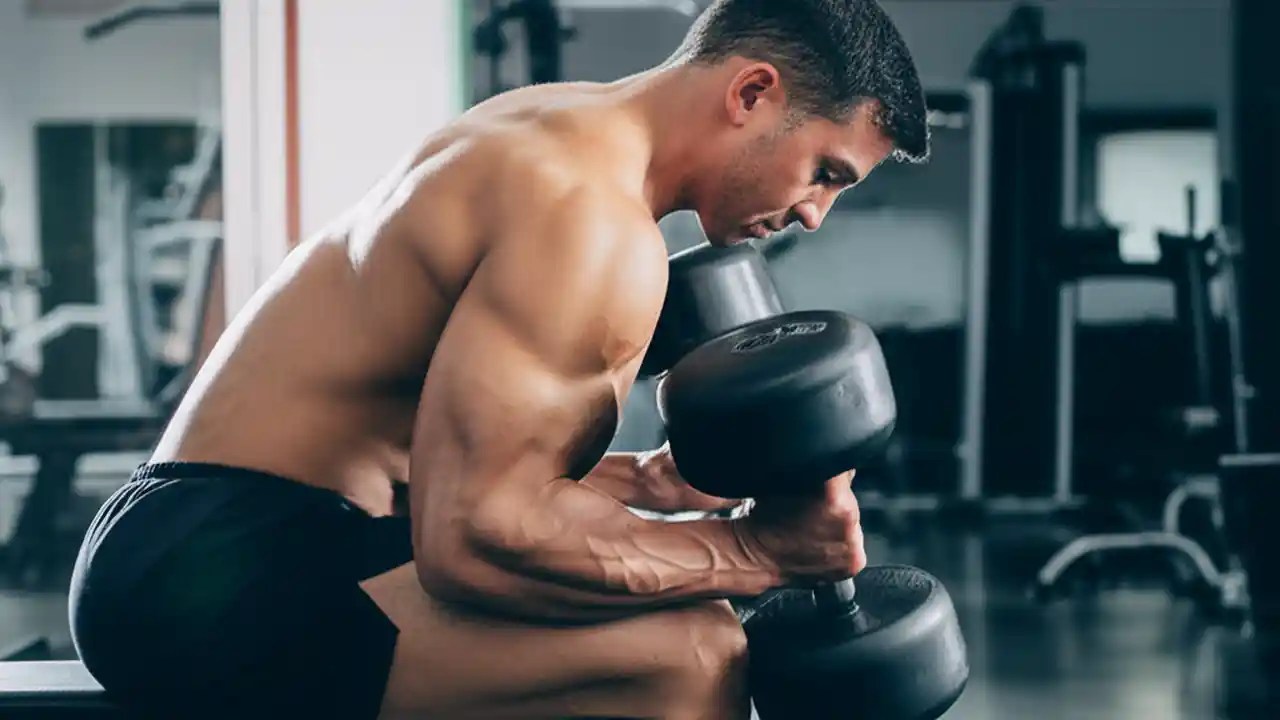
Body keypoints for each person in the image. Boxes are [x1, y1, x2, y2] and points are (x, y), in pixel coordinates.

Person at [67, 0, 929, 718]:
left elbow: (447, 455)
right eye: (825, 172)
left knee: (662, 597)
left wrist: (645, 483)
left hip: (203, 533)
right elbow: (473, 540)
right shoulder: (590, 224)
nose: (815, 213)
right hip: (212, 583)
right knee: (689, 652)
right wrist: (758, 554)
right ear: (752, 92)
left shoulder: (552, 124)